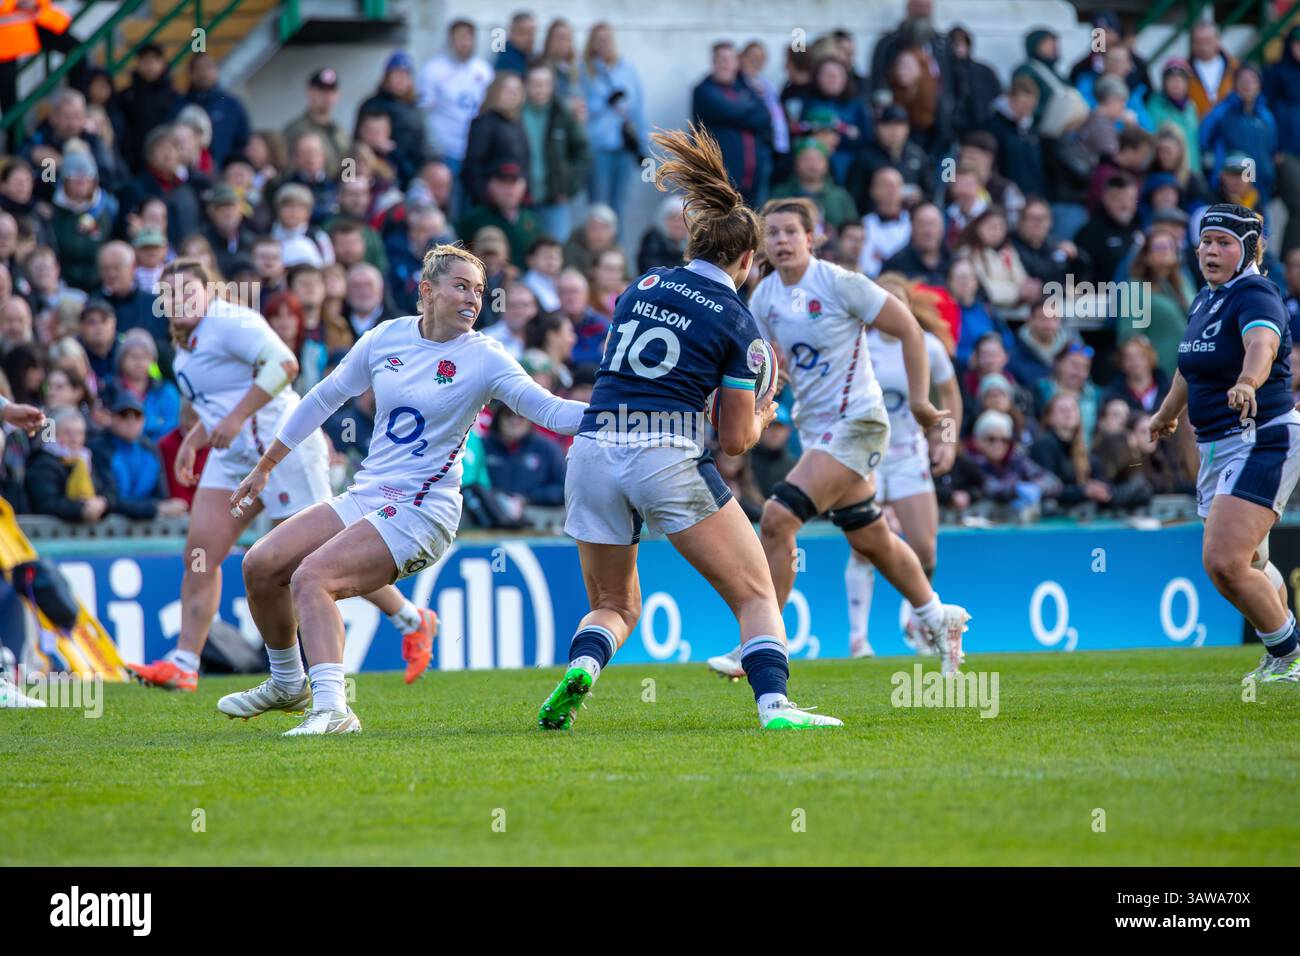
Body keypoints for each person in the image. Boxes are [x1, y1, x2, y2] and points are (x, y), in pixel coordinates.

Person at [534, 125, 838, 732]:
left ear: (691, 244)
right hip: (663, 451)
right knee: (755, 593)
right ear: (748, 260)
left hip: (592, 448)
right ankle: (776, 707)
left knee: (613, 604)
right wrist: (763, 414)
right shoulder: (739, 323)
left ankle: (582, 673)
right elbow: (733, 442)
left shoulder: (640, 286)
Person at [220, 244, 585, 735]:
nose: (473, 299)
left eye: (479, 290)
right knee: (260, 566)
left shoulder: (485, 357)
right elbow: (325, 396)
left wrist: (629, 410)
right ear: (427, 291)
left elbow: (553, 412)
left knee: (312, 578)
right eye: (461, 286)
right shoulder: (386, 338)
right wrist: (267, 465)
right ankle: (288, 683)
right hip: (368, 494)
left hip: (424, 511)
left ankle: (333, 710)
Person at [126, 260, 436, 693]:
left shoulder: (230, 322)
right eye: (170, 294)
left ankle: (409, 619)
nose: (179, 301)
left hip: (282, 448)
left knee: (303, 558)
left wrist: (234, 418)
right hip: (234, 456)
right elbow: (221, 398)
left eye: (188, 291)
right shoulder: (186, 343)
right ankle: (184, 661)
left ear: (209, 291)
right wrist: (195, 438)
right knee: (201, 551)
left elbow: (284, 365)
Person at [706, 195, 970, 684]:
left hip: (860, 422)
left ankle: (759, 644)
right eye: (773, 233)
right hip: (816, 429)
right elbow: (769, 369)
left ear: (812, 238)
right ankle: (938, 616)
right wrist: (762, 401)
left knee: (780, 520)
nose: (781, 240)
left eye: (791, 232)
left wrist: (918, 402)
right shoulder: (763, 298)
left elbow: (910, 330)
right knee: (870, 535)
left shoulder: (839, 283)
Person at [1149, 204, 1300, 684]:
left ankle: (1289, 655)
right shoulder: (1205, 299)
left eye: (1224, 243)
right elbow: (1189, 367)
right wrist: (1166, 414)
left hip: (1262, 436)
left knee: (1224, 561)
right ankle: (1285, 654)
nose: (1211, 251)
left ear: (1250, 249)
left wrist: (1248, 381)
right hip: (1219, 445)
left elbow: (1263, 346)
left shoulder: (1255, 293)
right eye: (1206, 242)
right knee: (1252, 563)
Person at [847, 273, 962, 658]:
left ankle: (918, 616)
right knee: (863, 546)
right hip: (867, 452)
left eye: (899, 300)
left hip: (909, 453)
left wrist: (947, 440)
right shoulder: (859, 345)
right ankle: (859, 639)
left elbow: (950, 393)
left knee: (926, 551)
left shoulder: (926, 346)